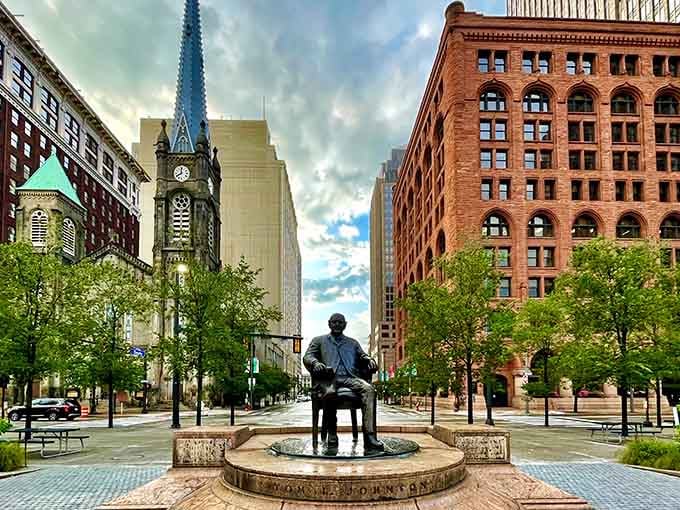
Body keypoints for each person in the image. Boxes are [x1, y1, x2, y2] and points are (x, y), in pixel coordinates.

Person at [303, 313, 384, 451]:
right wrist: (315, 363)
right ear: (329, 324)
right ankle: (332, 433)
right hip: (329, 379)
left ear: (345, 325)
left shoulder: (352, 343)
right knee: (329, 393)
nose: (337, 325)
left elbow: (363, 356)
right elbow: (308, 356)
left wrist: (370, 360)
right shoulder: (319, 340)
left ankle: (369, 436)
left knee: (369, 389)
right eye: (334, 322)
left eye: (340, 322)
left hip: (350, 378)